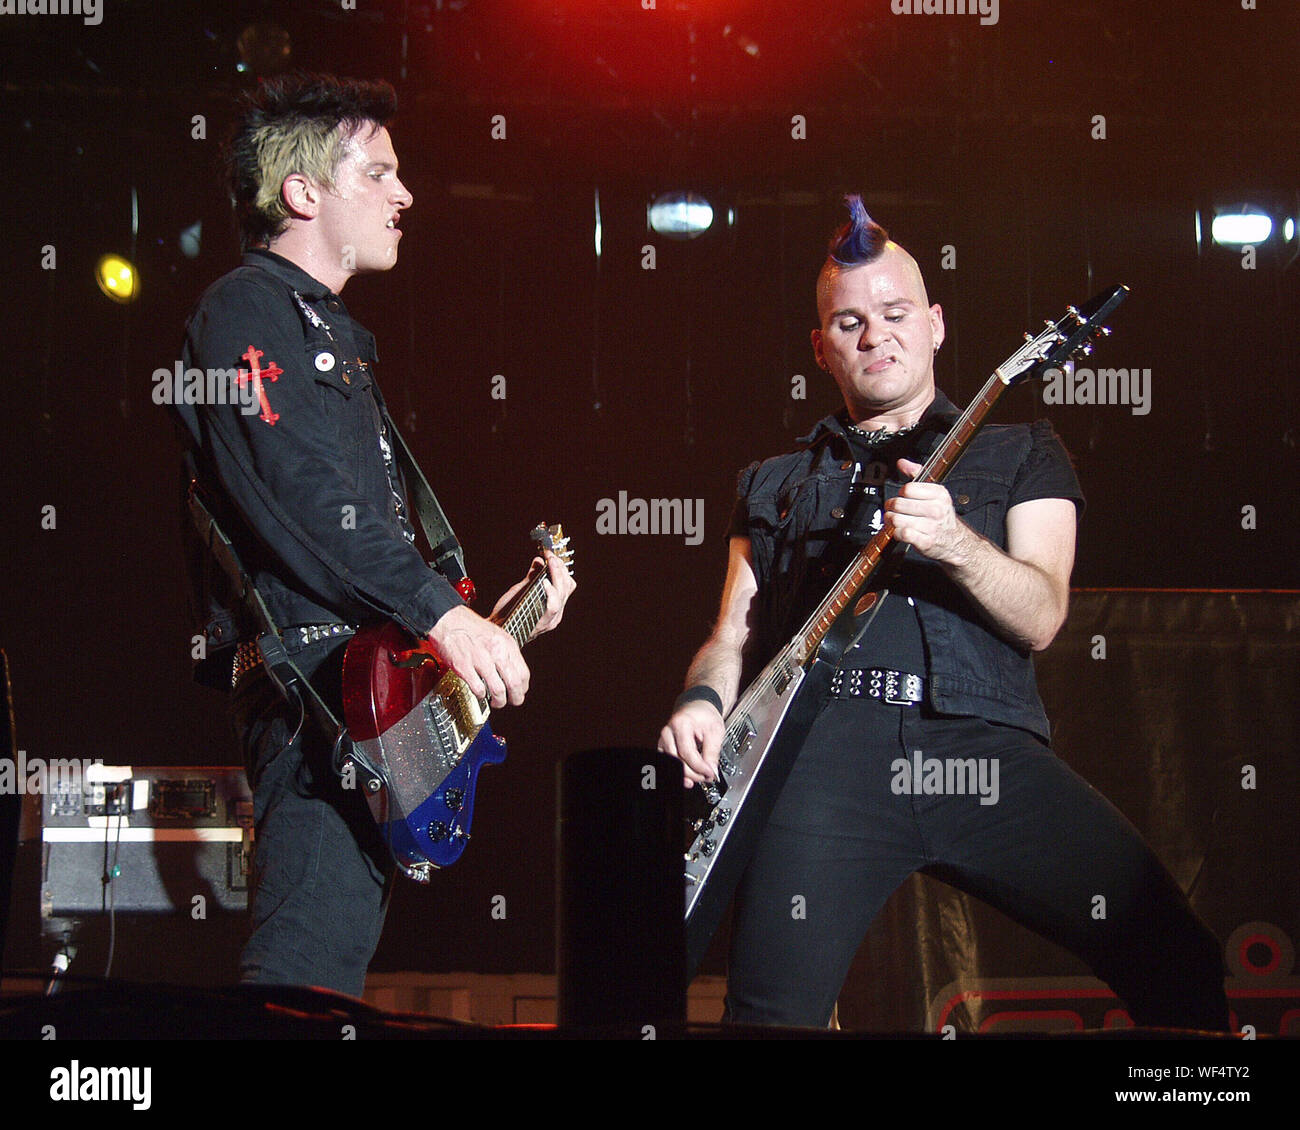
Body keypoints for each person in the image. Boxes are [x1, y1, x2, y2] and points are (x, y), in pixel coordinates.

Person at [658, 196, 1227, 1030]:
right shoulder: (772, 482)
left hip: (978, 748)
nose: (873, 334)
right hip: (820, 761)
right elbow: (729, 634)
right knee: (768, 1016)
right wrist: (701, 700)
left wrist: (956, 542)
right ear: (819, 348)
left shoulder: (1020, 450)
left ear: (934, 324)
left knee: (1178, 960)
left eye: (893, 313)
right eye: (847, 322)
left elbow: (1042, 611)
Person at [170, 74, 574, 996]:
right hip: (314, 692)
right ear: (303, 193)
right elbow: (301, 502)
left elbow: (362, 535)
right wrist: (443, 615)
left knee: (329, 966)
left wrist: (496, 618)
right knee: (302, 975)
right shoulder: (245, 311)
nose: (407, 194)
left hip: (361, 689)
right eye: (380, 172)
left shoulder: (333, 333)